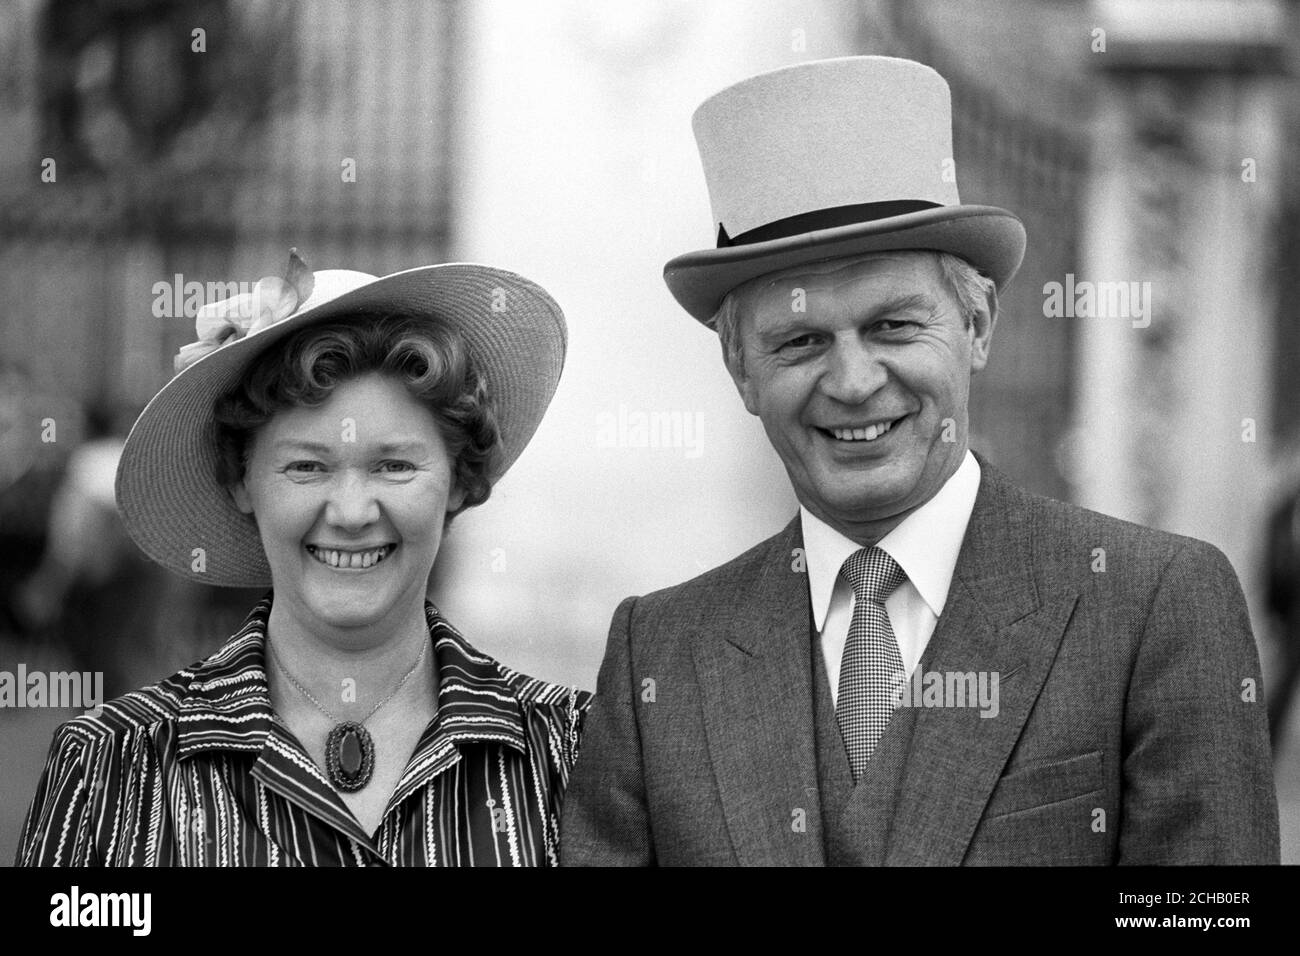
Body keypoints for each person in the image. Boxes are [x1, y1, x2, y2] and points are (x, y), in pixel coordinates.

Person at [561, 56, 1280, 866]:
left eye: (895, 327)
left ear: (977, 325)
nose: (854, 381)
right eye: (800, 342)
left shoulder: (1155, 607)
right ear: (741, 371)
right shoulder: (659, 656)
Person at [16, 252, 588, 866]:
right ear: (242, 482)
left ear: (456, 479)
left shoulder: (573, 751)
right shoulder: (114, 768)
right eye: (306, 466)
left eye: (394, 465)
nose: (349, 511)